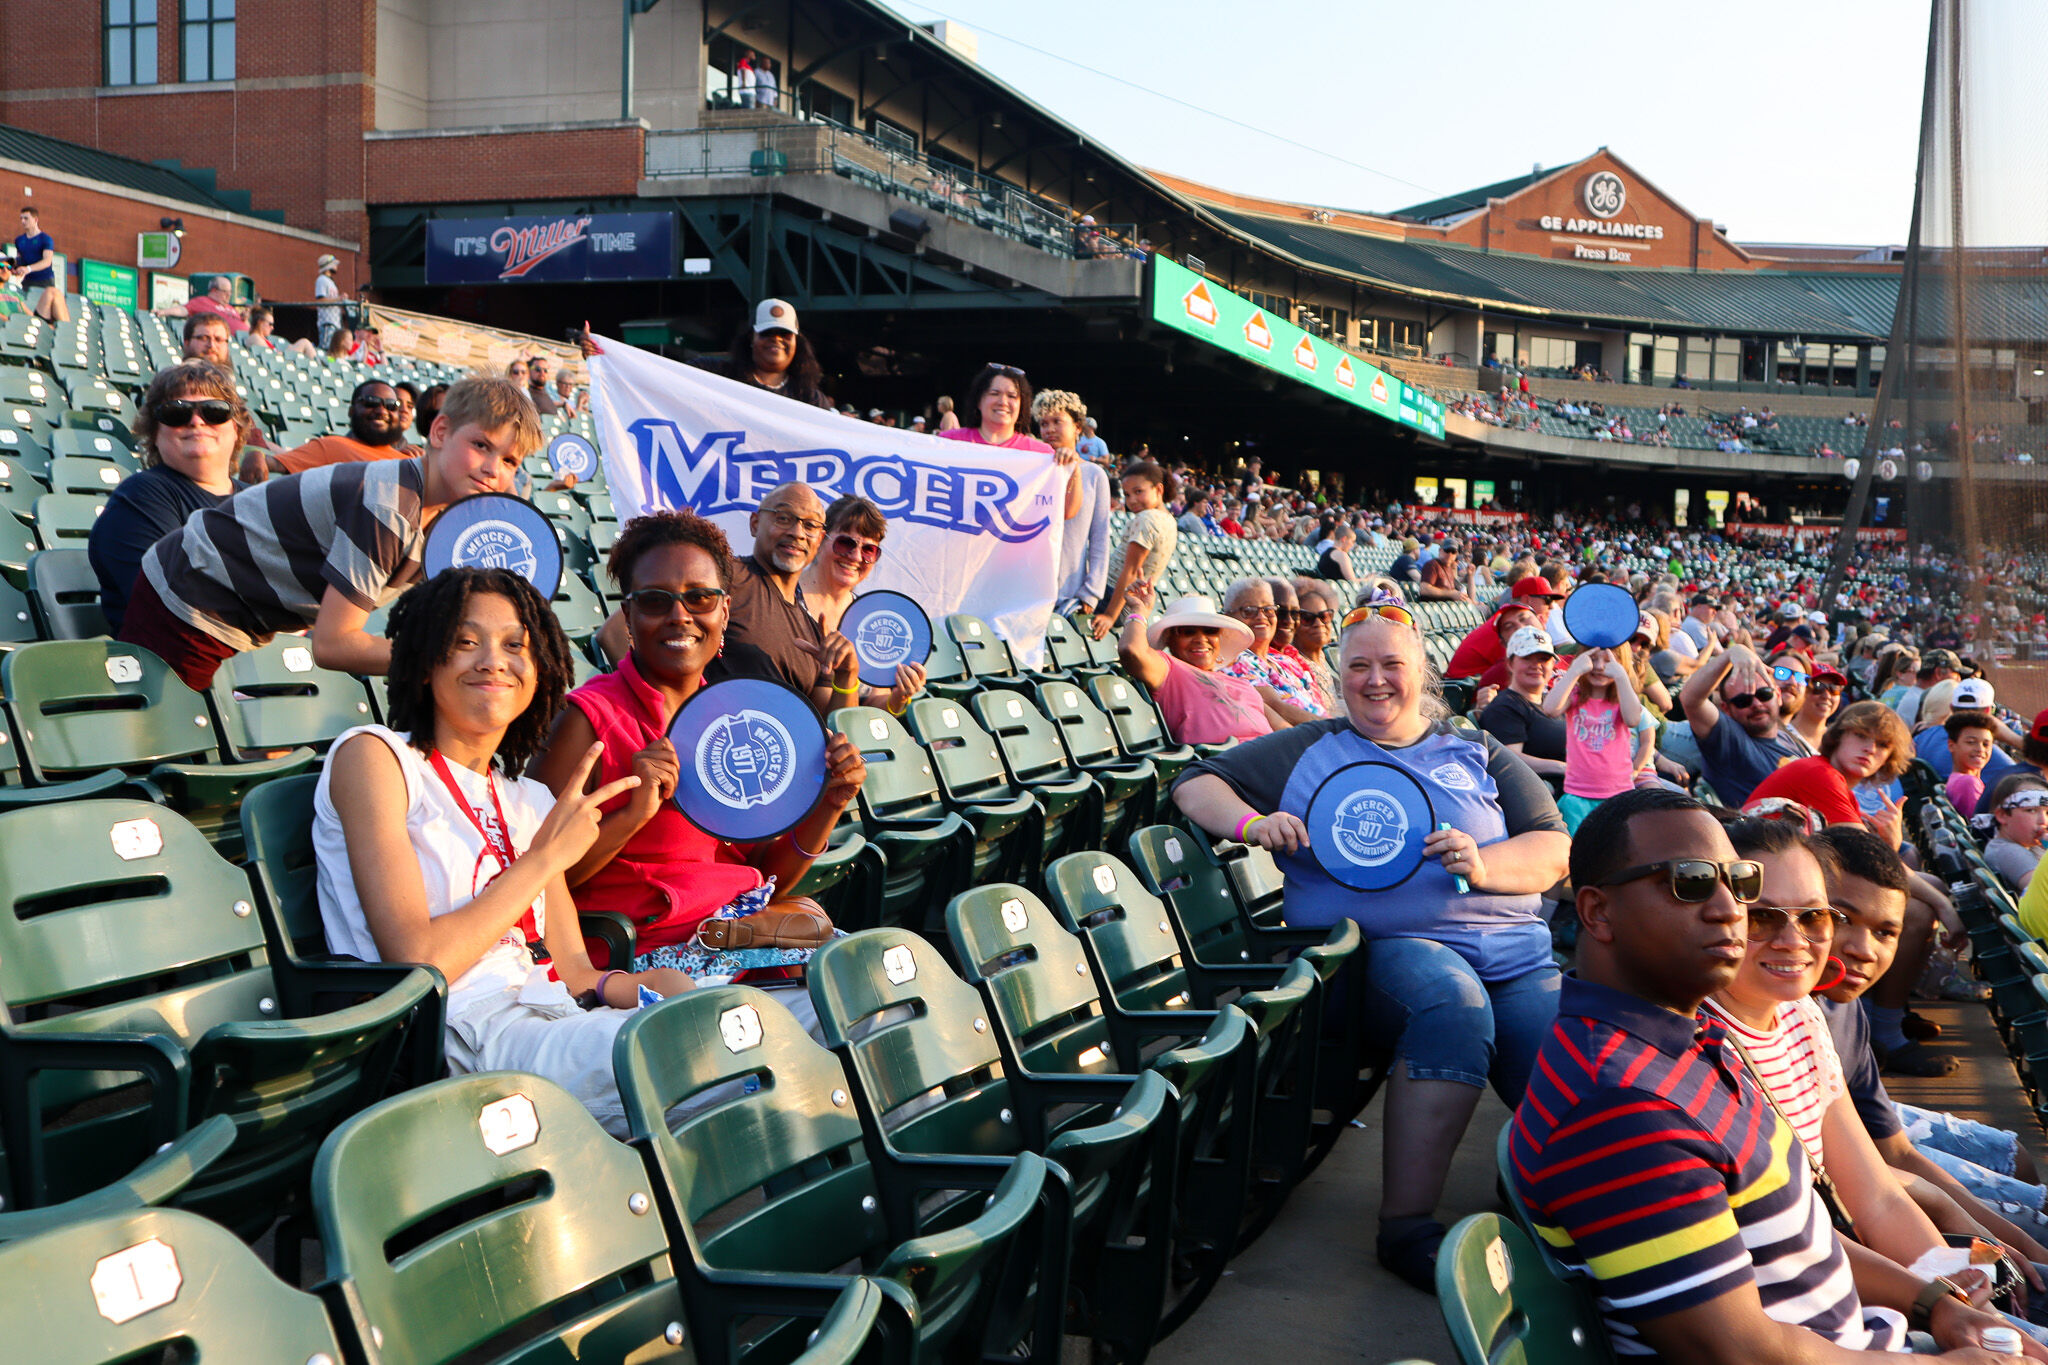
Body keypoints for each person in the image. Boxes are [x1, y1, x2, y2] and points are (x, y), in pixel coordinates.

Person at [1513, 787, 2022, 1363]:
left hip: (1873, 1336)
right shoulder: (1621, 1104)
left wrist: (1937, 1304)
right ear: (1597, 911)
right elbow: (1742, 1353)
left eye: (1741, 883)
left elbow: (1795, 1233)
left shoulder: (1693, 1041)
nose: (1731, 908)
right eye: (1691, 880)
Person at [1172, 596, 1569, 1290]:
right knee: (1452, 1003)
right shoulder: (1309, 747)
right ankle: (1408, 1226)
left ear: (1424, 672)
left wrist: (1483, 863)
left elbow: (1552, 845)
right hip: (1387, 952)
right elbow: (1194, 783)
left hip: (1516, 954)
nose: (1376, 678)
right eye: (1360, 665)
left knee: (1570, 1052)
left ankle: (1544, 1193)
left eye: (1393, 664)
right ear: (1339, 673)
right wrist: (1250, 821)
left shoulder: (1474, 747)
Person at [315, 567, 691, 1137]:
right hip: (457, 1041)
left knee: (743, 1020)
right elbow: (418, 960)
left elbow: (574, 971)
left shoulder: (531, 798)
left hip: (551, 1017)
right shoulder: (376, 758)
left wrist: (649, 988)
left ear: (539, 671)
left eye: (516, 645)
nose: (493, 660)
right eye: (466, 642)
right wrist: (542, 859)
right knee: (703, 1056)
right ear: (423, 661)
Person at [531, 510, 864, 1014]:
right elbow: (537, 889)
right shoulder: (587, 720)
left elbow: (767, 873)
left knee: (880, 991)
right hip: (647, 966)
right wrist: (632, 816)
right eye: (655, 600)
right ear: (629, 614)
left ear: (724, 612)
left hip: (745, 943)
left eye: (700, 598)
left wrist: (829, 806)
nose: (680, 614)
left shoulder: (736, 717)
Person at [1702, 818, 2014, 1315]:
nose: (1793, 939)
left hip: (1873, 1299)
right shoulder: (1701, 1049)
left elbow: (1877, 1197)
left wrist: (1969, 1300)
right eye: (1761, 917)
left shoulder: (1802, 1014)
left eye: (1814, 918)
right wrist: (1940, 1302)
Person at [118, 376, 539, 691]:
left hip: (253, 616)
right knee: (168, 740)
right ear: (441, 432)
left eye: (509, 461)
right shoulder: (388, 504)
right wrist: (444, 659)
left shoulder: (455, 518)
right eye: (481, 445)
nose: (492, 468)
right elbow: (334, 645)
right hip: (190, 599)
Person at [1816, 825, 2048, 1257]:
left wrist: (2011, 1240)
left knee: (2016, 1158)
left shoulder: (1841, 1007)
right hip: (1840, 1185)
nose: (1864, 949)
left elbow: (1894, 1150)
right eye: (1840, 918)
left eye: (1886, 932)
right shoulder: (1779, 1021)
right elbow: (1863, 1178)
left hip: (1870, 1146)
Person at [88, 362, 242, 635]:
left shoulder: (257, 497)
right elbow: (176, 607)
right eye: (177, 412)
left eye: (215, 411)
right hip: (175, 669)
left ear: (237, 428)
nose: (197, 421)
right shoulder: (139, 498)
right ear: (154, 433)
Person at [794, 494, 926, 710]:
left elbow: (873, 703)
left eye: (869, 550)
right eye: (845, 543)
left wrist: (900, 696)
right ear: (820, 539)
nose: (856, 557)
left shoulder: (870, 616)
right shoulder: (788, 599)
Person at [1115, 585, 1275, 743]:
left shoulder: (1243, 685)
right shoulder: (1168, 668)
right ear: (1170, 639)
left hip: (1271, 754)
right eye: (1188, 631)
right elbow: (1132, 651)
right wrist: (1139, 610)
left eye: (1210, 630)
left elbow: (1285, 731)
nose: (1201, 639)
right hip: (1226, 761)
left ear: (1220, 636)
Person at [1745, 702, 1912, 848]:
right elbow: (1868, 859)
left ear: (1889, 758)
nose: (1871, 749)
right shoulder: (1820, 773)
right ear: (1839, 736)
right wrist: (1892, 842)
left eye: (1883, 744)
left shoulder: (1843, 790)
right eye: (1861, 735)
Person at [1680, 642, 1804, 806]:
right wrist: (1731, 654)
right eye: (1742, 701)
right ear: (1727, 709)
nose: (1756, 704)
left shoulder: (1789, 738)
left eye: (1764, 694)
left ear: (1778, 696)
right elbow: (1690, 699)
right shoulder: (1728, 739)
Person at [1542, 644, 1645, 832]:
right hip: (1578, 794)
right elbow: (1549, 708)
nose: (1599, 666)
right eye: (1593, 659)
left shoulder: (1622, 697)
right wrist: (1573, 672)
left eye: (1608, 660)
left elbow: (1633, 719)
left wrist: (1621, 676)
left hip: (1618, 792)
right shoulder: (1575, 695)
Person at [1033, 390, 1111, 615]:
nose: (1049, 429)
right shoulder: (1032, 469)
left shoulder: (1094, 475)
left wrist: (1091, 593)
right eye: (1044, 423)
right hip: (1027, 589)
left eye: (1057, 421)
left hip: (1069, 595)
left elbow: (1099, 538)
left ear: (1078, 427)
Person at [248, 379, 409, 480]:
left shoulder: (407, 461)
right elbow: (274, 464)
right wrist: (256, 456)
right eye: (371, 402)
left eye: (391, 406)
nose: (382, 410)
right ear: (351, 410)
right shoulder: (332, 447)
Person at [1091, 459, 1176, 638]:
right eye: (1127, 494)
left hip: (1111, 596)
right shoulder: (1169, 520)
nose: (1132, 500)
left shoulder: (1148, 519)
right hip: (1128, 603)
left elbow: (1130, 571)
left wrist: (1109, 616)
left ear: (1159, 489)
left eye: (1139, 492)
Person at [1478, 626, 1568, 783]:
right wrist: (1563, 768)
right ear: (1511, 664)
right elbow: (1511, 758)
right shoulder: (1505, 707)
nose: (1536, 665)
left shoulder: (1552, 701)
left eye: (1543, 659)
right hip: (1550, 790)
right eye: (1527, 658)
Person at [718, 299, 832, 409]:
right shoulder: (720, 376)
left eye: (785, 333)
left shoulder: (811, 399)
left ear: (796, 342)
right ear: (751, 338)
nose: (776, 338)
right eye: (767, 332)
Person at [1446, 577, 1565, 681]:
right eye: (1547, 600)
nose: (1551, 606)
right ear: (1527, 600)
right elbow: (1520, 671)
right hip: (1472, 694)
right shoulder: (1508, 627)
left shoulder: (1510, 621)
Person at [1985, 775, 2048, 891]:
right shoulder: (2009, 852)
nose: (2043, 821)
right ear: (2003, 815)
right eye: (2031, 810)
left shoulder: (2029, 844)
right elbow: (2042, 892)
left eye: (2047, 813)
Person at [9, 206, 67, 323]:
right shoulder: (19, 240)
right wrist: (16, 269)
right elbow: (20, 259)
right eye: (21, 218)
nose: (23, 221)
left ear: (35, 220)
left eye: (26, 218)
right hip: (27, 282)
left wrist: (29, 269)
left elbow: (47, 261)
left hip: (44, 281)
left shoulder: (45, 239)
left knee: (48, 306)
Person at [1947, 711, 2001, 816]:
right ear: (1951, 745)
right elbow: (1984, 825)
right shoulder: (1968, 783)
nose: (1980, 749)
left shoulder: (1958, 779)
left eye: (1986, 744)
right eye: (1971, 742)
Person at [182, 276, 248, 333]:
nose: (229, 295)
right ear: (214, 290)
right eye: (225, 292)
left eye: (230, 292)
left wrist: (245, 320)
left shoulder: (231, 307)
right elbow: (182, 310)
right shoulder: (202, 301)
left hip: (244, 339)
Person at [313, 252, 342, 349]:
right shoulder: (321, 280)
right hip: (327, 322)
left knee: (334, 349)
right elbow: (320, 300)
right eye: (334, 264)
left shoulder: (331, 282)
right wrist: (339, 298)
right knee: (326, 348)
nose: (336, 266)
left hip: (335, 322)